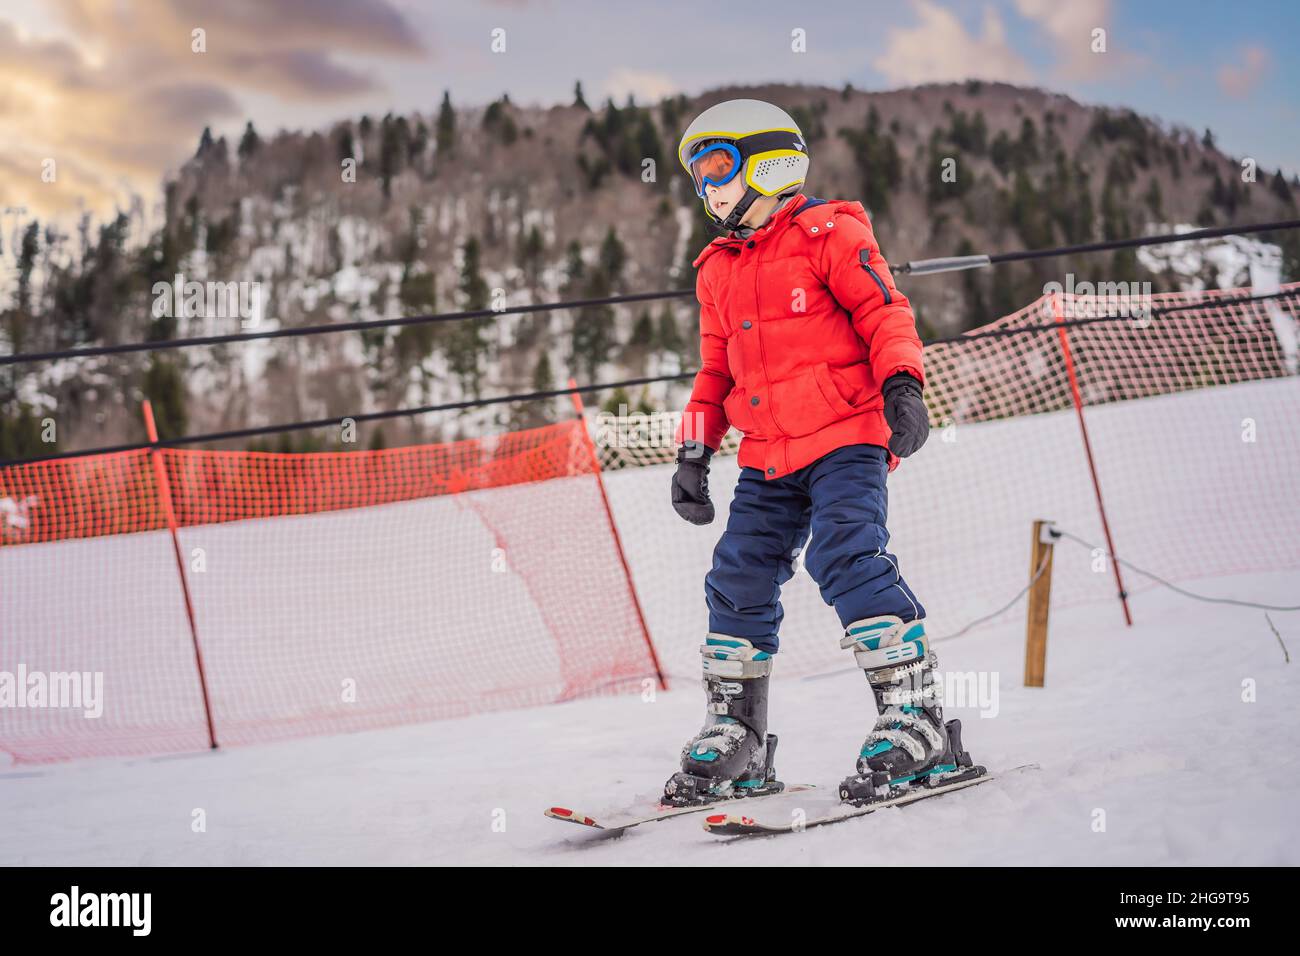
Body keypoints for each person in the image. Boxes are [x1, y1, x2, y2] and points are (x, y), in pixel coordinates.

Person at [663, 98, 980, 807]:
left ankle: (915, 719)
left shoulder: (830, 231)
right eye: (698, 173)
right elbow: (716, 370)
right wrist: (694, 450)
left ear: (770, 161)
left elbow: (884, 311)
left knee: (844, 556)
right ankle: (736, 735)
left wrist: (902, 384)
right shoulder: (716, 268)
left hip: (845, 436)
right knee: (737, 573)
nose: (708, 185)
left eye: (720, 164)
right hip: (768, 453)